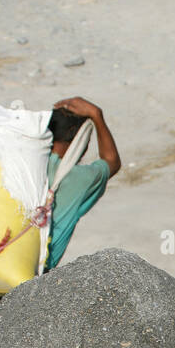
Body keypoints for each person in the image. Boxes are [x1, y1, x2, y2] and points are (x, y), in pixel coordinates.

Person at [44, 96, 121, 270]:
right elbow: (112, 161)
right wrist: (97, 115)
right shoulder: (79, 178)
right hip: (28, 278)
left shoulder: (31, 163)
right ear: (78, 137)